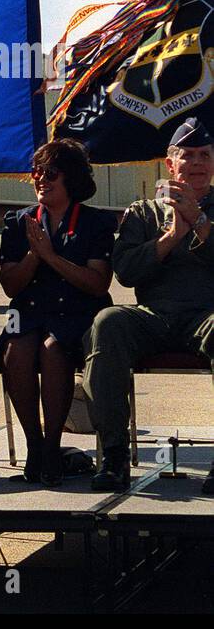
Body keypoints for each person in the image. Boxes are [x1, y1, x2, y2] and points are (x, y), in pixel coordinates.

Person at [83, 117, 214, 494]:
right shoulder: (143, 212)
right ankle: (114, 455)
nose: (197, 163)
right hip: (154, 316)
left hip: (206, 315)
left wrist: (200, 221)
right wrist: (173, 235)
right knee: (107, 322)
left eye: (204, 154)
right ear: (170, 165)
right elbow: (124, 271)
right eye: (187, 155)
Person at [0, 141, 114, 486]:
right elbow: (10, 285)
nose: (40, 179)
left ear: (71, 178)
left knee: (53, 350)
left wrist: (50, 256)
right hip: (29, 313)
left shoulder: (95, 222)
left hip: (76, 313)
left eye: (50, 173)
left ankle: (53, 448)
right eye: (36, 172)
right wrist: (34, 255)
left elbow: (96, 282)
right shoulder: (19, 222)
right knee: (17, 351)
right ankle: (36, 447)